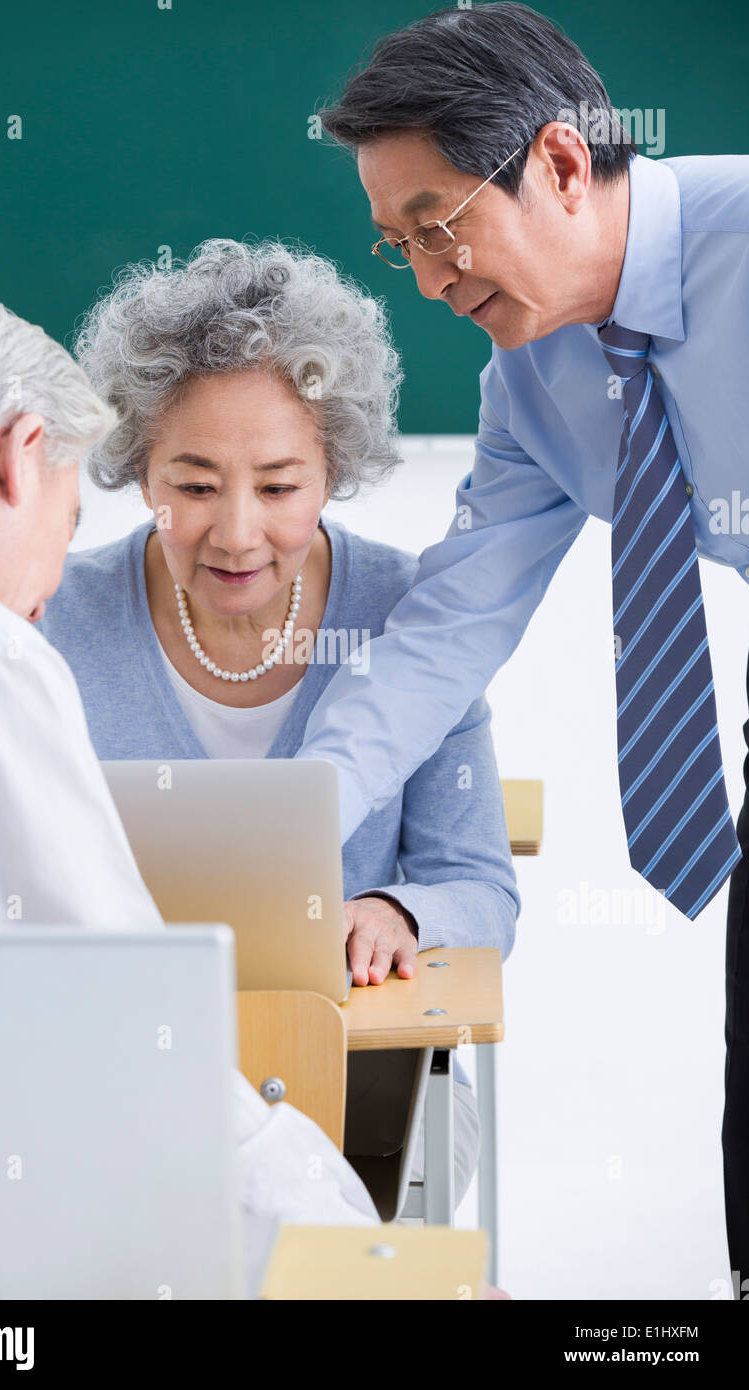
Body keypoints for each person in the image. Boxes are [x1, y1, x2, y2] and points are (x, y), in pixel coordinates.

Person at [293, 1, 749, 1285]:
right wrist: (300, 819)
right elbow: (446, 626)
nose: (432, 283)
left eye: (437, 226)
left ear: (556, 160)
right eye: (401, 249)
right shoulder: (533, 383)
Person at [0, 284, 381, 1298]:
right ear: (21, 454)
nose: (53, 584)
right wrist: (360, 1252)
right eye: (65, 525)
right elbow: (110, 1030)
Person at [36, 237, 519, 1214]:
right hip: (128, 1083)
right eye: (196, 483)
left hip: (363, 1082)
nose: (238, 531)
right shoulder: (55, 620)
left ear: (333, 469)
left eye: (280, 485)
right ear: (138, 470)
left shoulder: (412, 615)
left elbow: (478, 887)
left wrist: (398, 913)